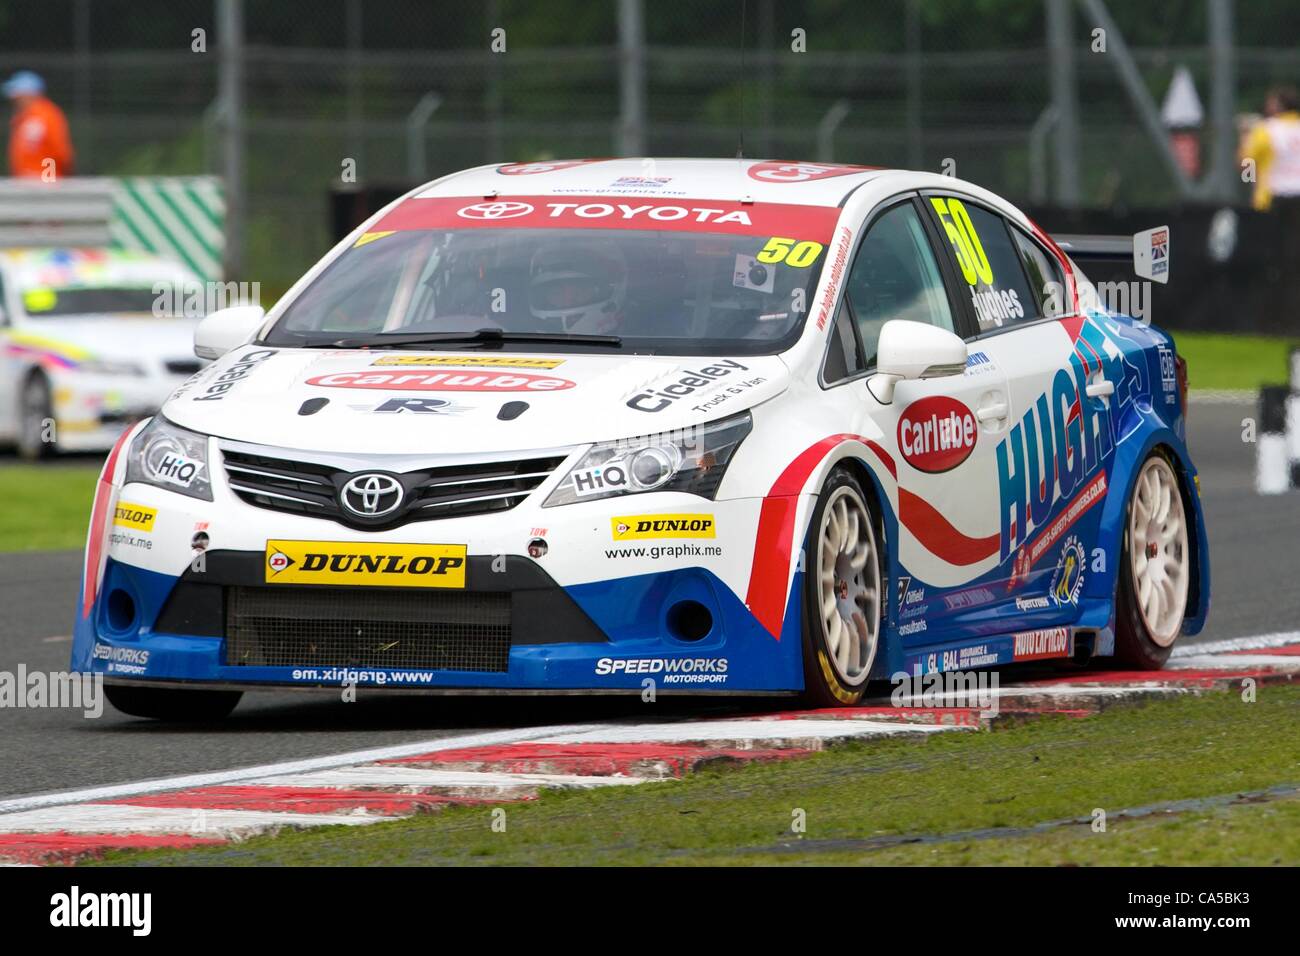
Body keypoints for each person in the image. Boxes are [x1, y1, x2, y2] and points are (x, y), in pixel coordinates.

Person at [1239, 85, 1300, 213]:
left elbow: (1246, 166)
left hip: (1271, 199)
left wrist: (1245, 138)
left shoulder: (1265, 130)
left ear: (1278, 106)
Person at [4, 70, 75, 179]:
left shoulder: (48, 115)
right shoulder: (23, 117)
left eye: (18, 95)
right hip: (25, 180)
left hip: (45, 181)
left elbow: (61, 151)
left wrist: (49, 177)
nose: (14, 100)